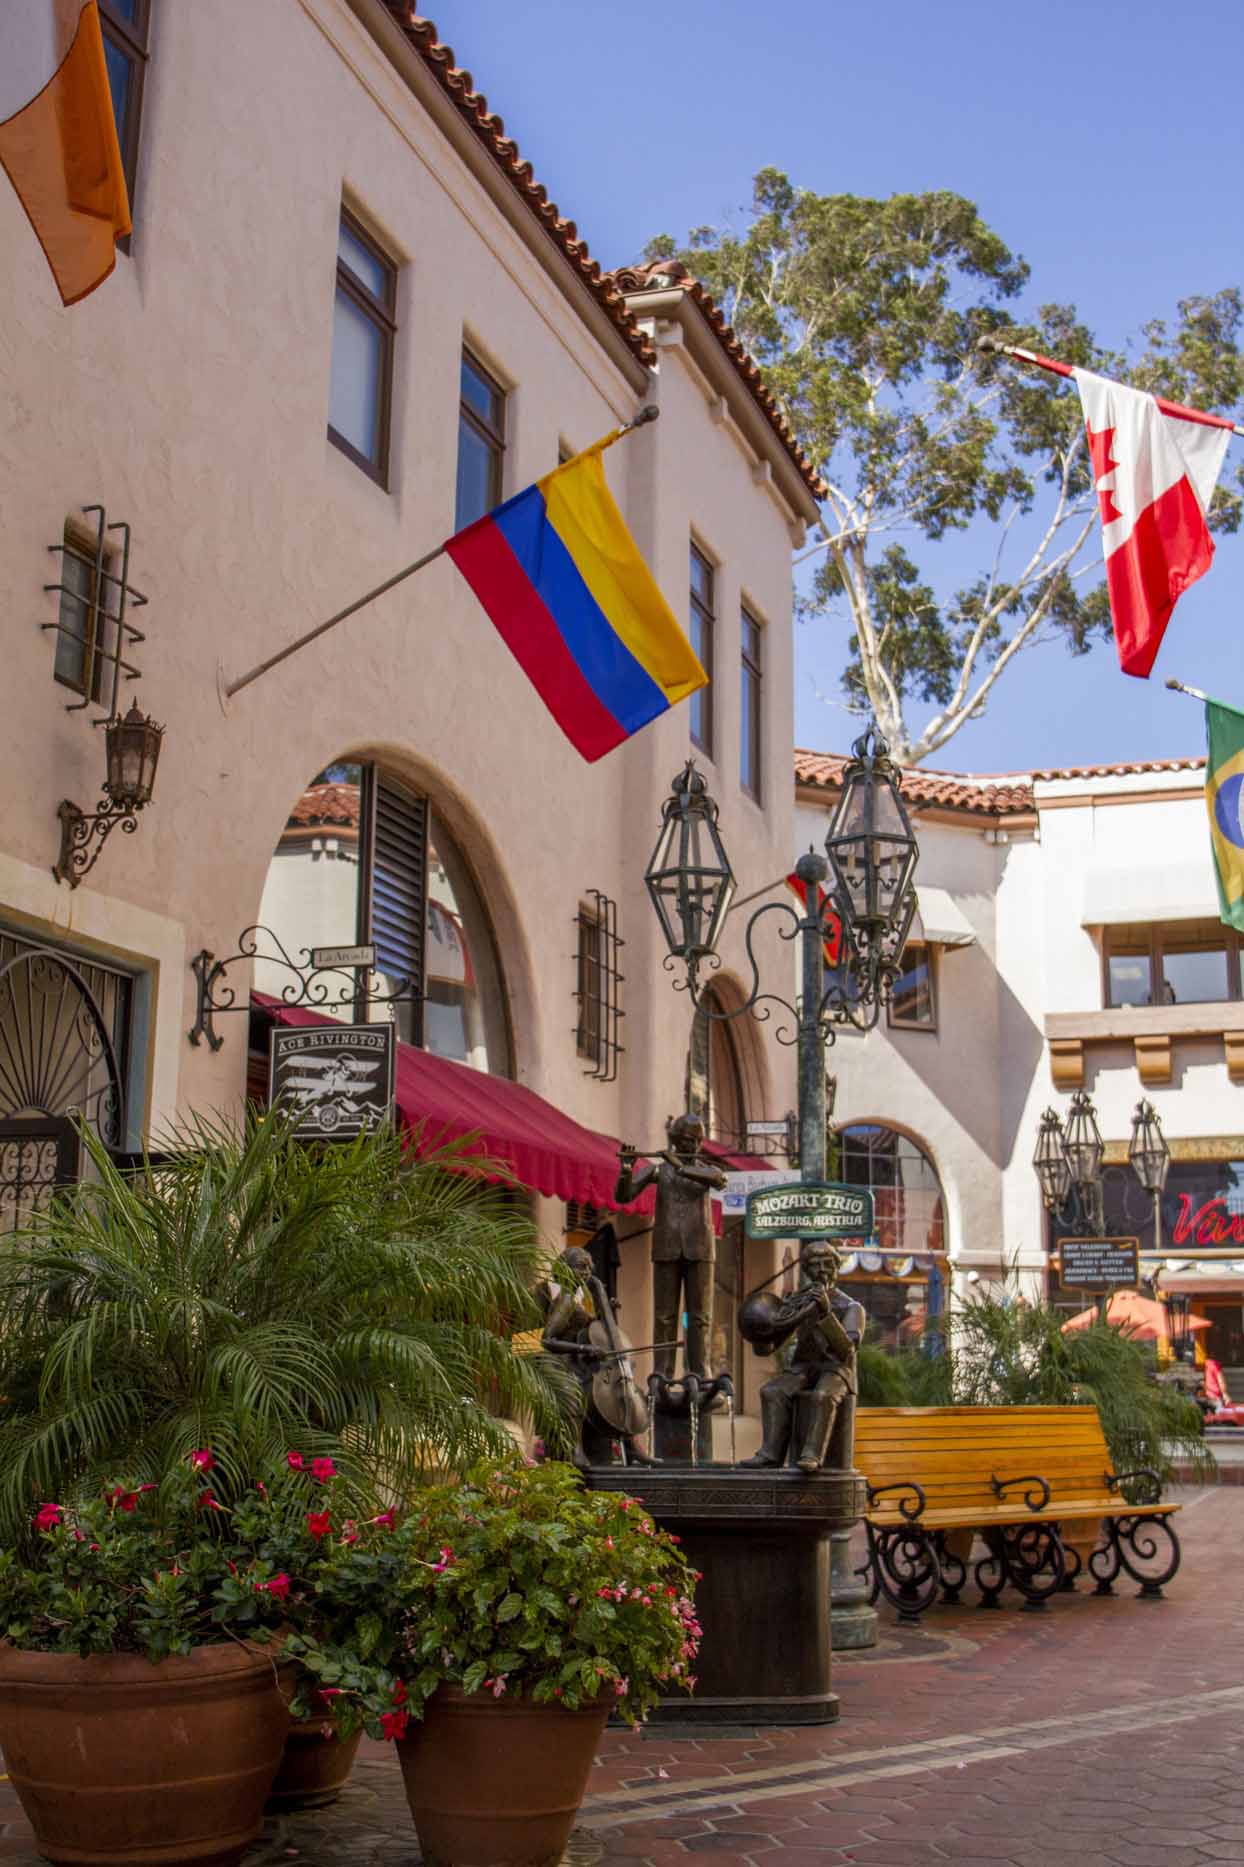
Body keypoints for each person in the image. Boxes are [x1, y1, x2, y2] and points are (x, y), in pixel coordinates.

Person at [614, 1114, 728, 1380]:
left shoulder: (705, 1169)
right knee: (664, 1315)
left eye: (699, 1140)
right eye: (689, 1140)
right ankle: (662, 1371)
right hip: (666, 1248)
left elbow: (719, 1180)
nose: (695, 1146)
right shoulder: (657, 1170)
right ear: (675, 1140)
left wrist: (678, 1166)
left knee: (700, 1316)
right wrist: (626, 1170)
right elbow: (623, 1196)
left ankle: (699, 1370)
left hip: (700, 1249)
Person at [739, 1240, 864, 1474]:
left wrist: (826, 1312)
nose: (822, 1270)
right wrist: (762, 1332)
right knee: (772, 1391)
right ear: (806, 1270)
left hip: (836, 1369)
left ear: (837, 1268)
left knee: (823, 1395)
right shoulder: (799, 1302)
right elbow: (773, 1344)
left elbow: (846, 1349)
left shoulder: (851, 1307)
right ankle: (771, 1454)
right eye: (815, 1265)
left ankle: (812, 1455)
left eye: (828, 1264)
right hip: (804, 1368)